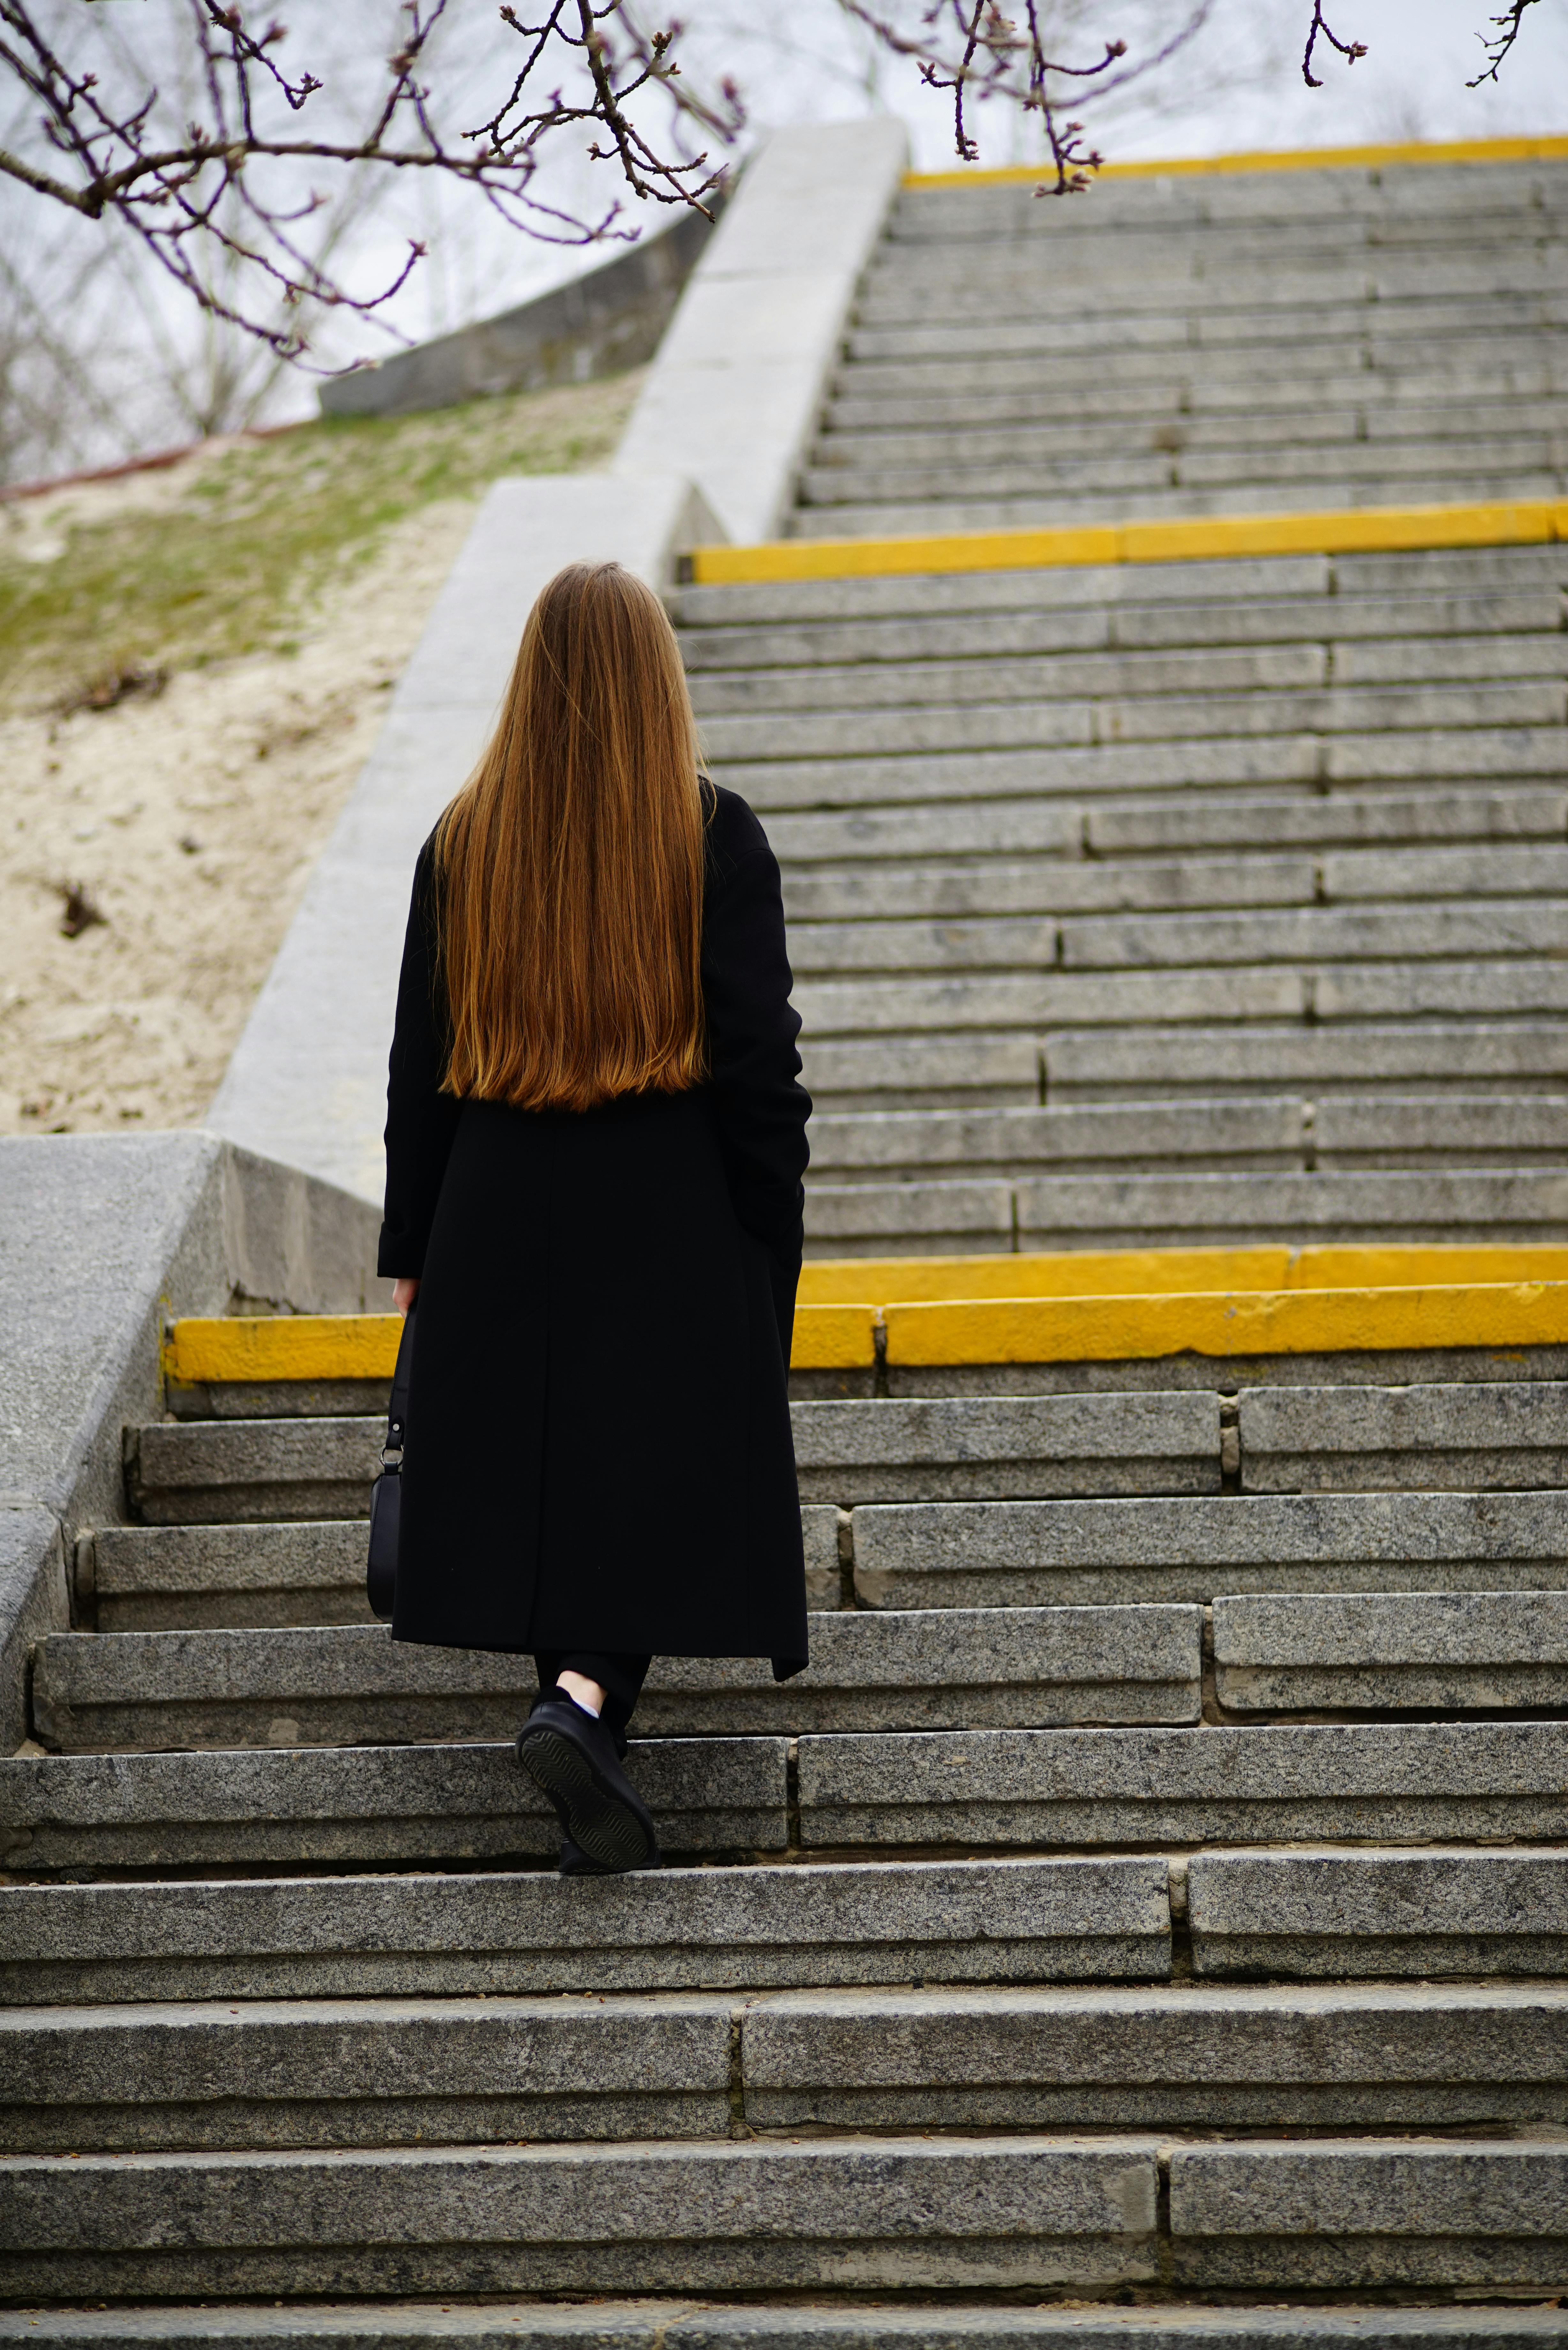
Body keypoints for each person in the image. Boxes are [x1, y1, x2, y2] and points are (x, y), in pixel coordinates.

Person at [377, 559, 811, 1877]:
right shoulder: (713, 832)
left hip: (493, 1205)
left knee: (534, 1475)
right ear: (657, 684)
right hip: (670, 1209)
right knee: (645, 1476)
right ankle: (579, 1703)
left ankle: (573, 1703)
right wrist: (765, 1243)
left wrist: (412, 1256)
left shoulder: (463, 840)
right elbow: (761, 1072)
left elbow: (418, 1069)